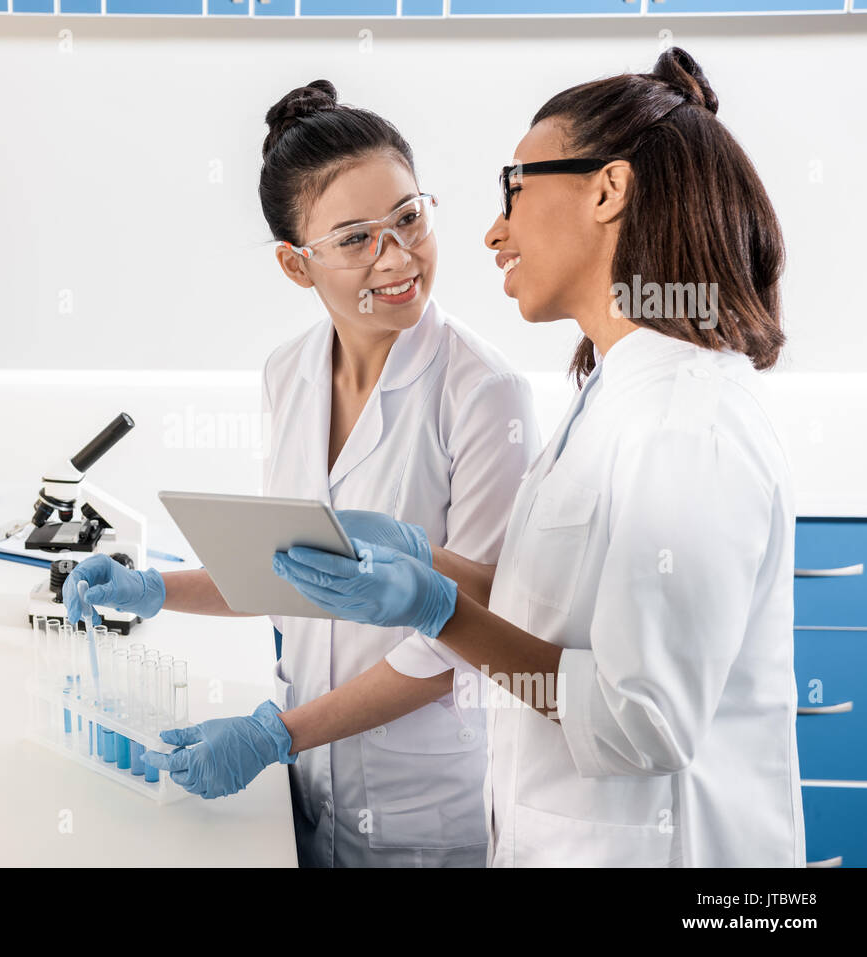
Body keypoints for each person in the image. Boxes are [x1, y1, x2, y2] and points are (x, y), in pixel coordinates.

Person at [271, 48, 805, 866]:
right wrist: (432, 562)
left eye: (514, 188)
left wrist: (438, 609)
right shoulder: (608, 396)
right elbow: (555, 615)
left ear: (607, 189)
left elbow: (640, 721)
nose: (491, 230)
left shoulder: (686, 419)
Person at [63, 80, 539, 867]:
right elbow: (291, 568)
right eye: (355, 238)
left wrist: (276, 733)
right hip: (311, 784)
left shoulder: (485, 394)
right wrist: (153, 587)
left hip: (425, 805)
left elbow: (473, 629)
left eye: (409, 219)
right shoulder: (289, 374)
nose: (396, 256)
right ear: (296, 264)